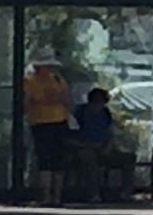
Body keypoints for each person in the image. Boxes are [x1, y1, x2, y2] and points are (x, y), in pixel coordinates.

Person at [20, 57, 73, 206]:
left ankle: (57, 196)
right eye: (45, 66)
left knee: (58, 159)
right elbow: (27, 102)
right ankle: (46, 195)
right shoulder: (30, 81)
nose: (48, 69)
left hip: (59, 121)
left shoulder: (57, 79)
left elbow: (67, 98)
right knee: (44, 159)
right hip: (40, 122)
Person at [71, 85, 125, 202]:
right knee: (89, 159)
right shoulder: (80, 112)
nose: (98, 104)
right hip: (84, 148)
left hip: (104, 147)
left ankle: (125, 193)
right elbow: (72, 134)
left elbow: (110, 131)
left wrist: (109, 146)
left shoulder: (105, 112)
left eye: (101, 101)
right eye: (96, 101)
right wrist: (86, 145)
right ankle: (94, 193)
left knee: (127, 159)